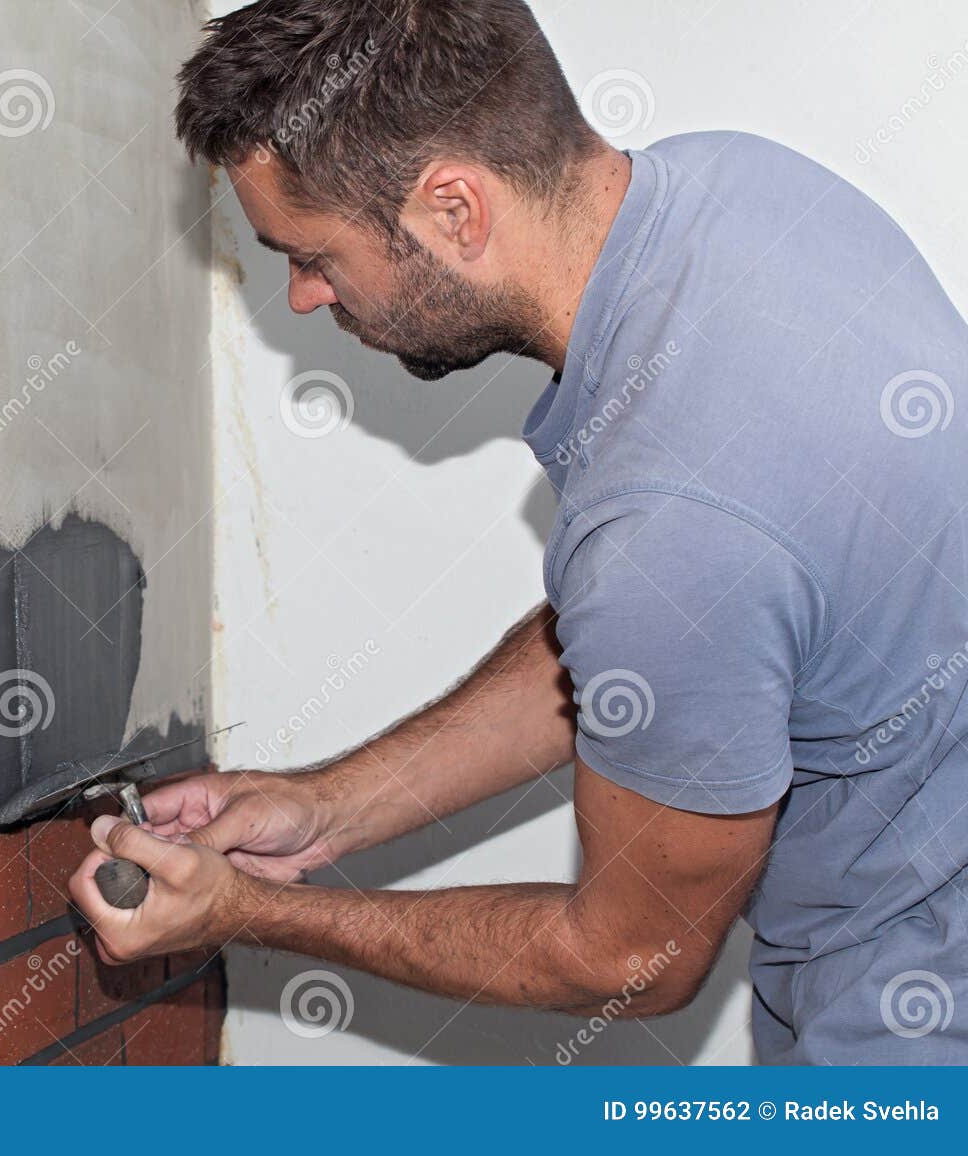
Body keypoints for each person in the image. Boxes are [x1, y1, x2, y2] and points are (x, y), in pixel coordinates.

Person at [68, 0, 968, 1063]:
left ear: (454, 209)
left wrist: (251, 915)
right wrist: (327, 810)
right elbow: (674, 643)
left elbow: (628, 958)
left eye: (309, 254)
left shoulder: (668, 533)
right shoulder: (741, 190)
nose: (305, 296)